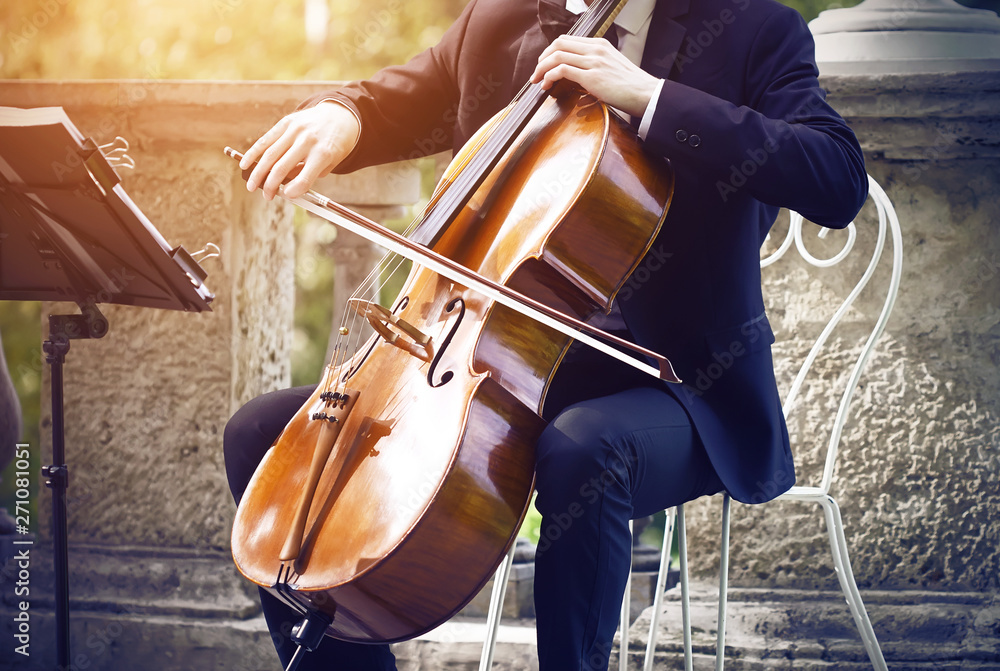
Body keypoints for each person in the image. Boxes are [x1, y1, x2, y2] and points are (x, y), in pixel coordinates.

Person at [223, 0, 868, 669]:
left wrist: (651, 98)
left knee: (583, 447)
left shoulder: (751, 28)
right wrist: (343, 113)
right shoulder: (498, 22)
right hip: (501, 368)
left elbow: (837, 176)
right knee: (260, 433)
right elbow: (397, 101)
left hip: (679, 387)